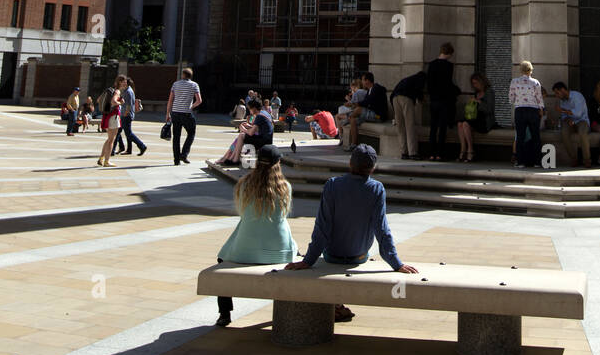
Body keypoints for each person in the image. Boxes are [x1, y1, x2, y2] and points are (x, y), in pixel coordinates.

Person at [286, 144, 417, 320]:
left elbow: (322, 228)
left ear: (350, 163)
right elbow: (382, 229)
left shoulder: (332, 185)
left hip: (333, 255)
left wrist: (308, 261)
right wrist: (396, 263)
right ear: (373, 168)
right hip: (358, 256)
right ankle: (337, 306)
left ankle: (336, 306)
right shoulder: (376, 189)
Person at [214, 144, 297, 327]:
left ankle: (224, 313)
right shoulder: (286, 188)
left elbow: (244, 214)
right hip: (279, 251)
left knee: (222, 259)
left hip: (245, 251)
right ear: (278, 163)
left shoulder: (244, 185)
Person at [509, 61, 544, 168]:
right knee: (535, 136)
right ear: (531, 70)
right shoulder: (536, 82)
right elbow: (539, 97)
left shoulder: (514, 82)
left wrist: (516, 101)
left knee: (520, 137)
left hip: (520, 110)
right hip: (533, 110)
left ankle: (521, 162)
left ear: (521, 70)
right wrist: (541, 109)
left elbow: (511, 97)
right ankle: (537, 162)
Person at [165, 66, 202, 166]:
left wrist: (168, 113)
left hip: (175, 113)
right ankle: (184, 154)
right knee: (191, 133)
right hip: (186, 113)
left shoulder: (175, 84)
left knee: (176, 137)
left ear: (183, 75)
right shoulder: (194, 85)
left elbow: (170, 100)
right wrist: (191, 106)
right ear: (190, 76)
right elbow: (199, 101)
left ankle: (176, 160)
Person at [426, 44, 457, 161]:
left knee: (433, 127)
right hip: (444, 100)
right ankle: (439, 153)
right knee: (442, 128)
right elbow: (448, 84)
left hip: (434, 100)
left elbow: (429, 83)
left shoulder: (432, 64)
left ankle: (431, 153)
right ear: (449, 53)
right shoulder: (449, 66)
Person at [551, 81, 593, 167]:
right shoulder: (562, 101)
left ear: (563, 90)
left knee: (582, 133)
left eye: (557, 93)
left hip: (582, 120)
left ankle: (587, 159)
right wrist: (567, 119)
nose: (556, 96)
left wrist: (562, 110)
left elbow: (578, 113)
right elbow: (564, 116)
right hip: (570, 121)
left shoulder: (577, 96)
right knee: (564, 132)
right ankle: (573, 158)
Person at [456, 73, 496, 163]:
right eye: (473, 83)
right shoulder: (476, 93)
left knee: (466, 124)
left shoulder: (489, 92)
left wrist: (478, 102)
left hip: (484, 120)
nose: (475, 85)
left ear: (482, 82)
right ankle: (463, 149)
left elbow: (489, 109)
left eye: (476, 83)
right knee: (460, 124)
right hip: (475, 117)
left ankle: (470, 150)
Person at [390, 71, 427, 160]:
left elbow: (392, 95)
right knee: (410, 126)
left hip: (395, 98)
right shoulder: (420, 79)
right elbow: (419, 89)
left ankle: (404, 152)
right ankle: (413, 153)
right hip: (406, 98)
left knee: (400, 127)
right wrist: (421, 99)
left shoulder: (407, 79)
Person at [348, 71, 390, 149]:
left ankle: (348, 118)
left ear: (367, 81)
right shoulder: (369, 90)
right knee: (353, 120)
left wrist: (355, 104)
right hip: (371, 114)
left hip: (378, 116)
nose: (362, 82)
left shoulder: (376, 88)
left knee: (358, 110)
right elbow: (367, 103)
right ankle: (353, 145)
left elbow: (368, 102)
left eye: (363, 80)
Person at [112, 77, 147, 157]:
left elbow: (129, 105)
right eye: (123, 82)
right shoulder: (127, 90)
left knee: (128, 133)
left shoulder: (128, 92)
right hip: (125, 114)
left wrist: (125, 113)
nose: (123, 84)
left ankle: (142, 146)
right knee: (120, 132)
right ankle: (122, 149)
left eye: (124, 82)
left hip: (126, 115)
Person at [97, 76, 126, 168]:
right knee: (111, 140)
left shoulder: (110, 89)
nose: (125, 84)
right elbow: (113, 102)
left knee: (109, 139)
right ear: (120, 82)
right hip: (113, 117)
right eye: (124, 82)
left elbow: (98, 100)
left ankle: (101, 158)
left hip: (107, 116)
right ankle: (107, 161)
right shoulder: (117, 91)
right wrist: (120, 103)